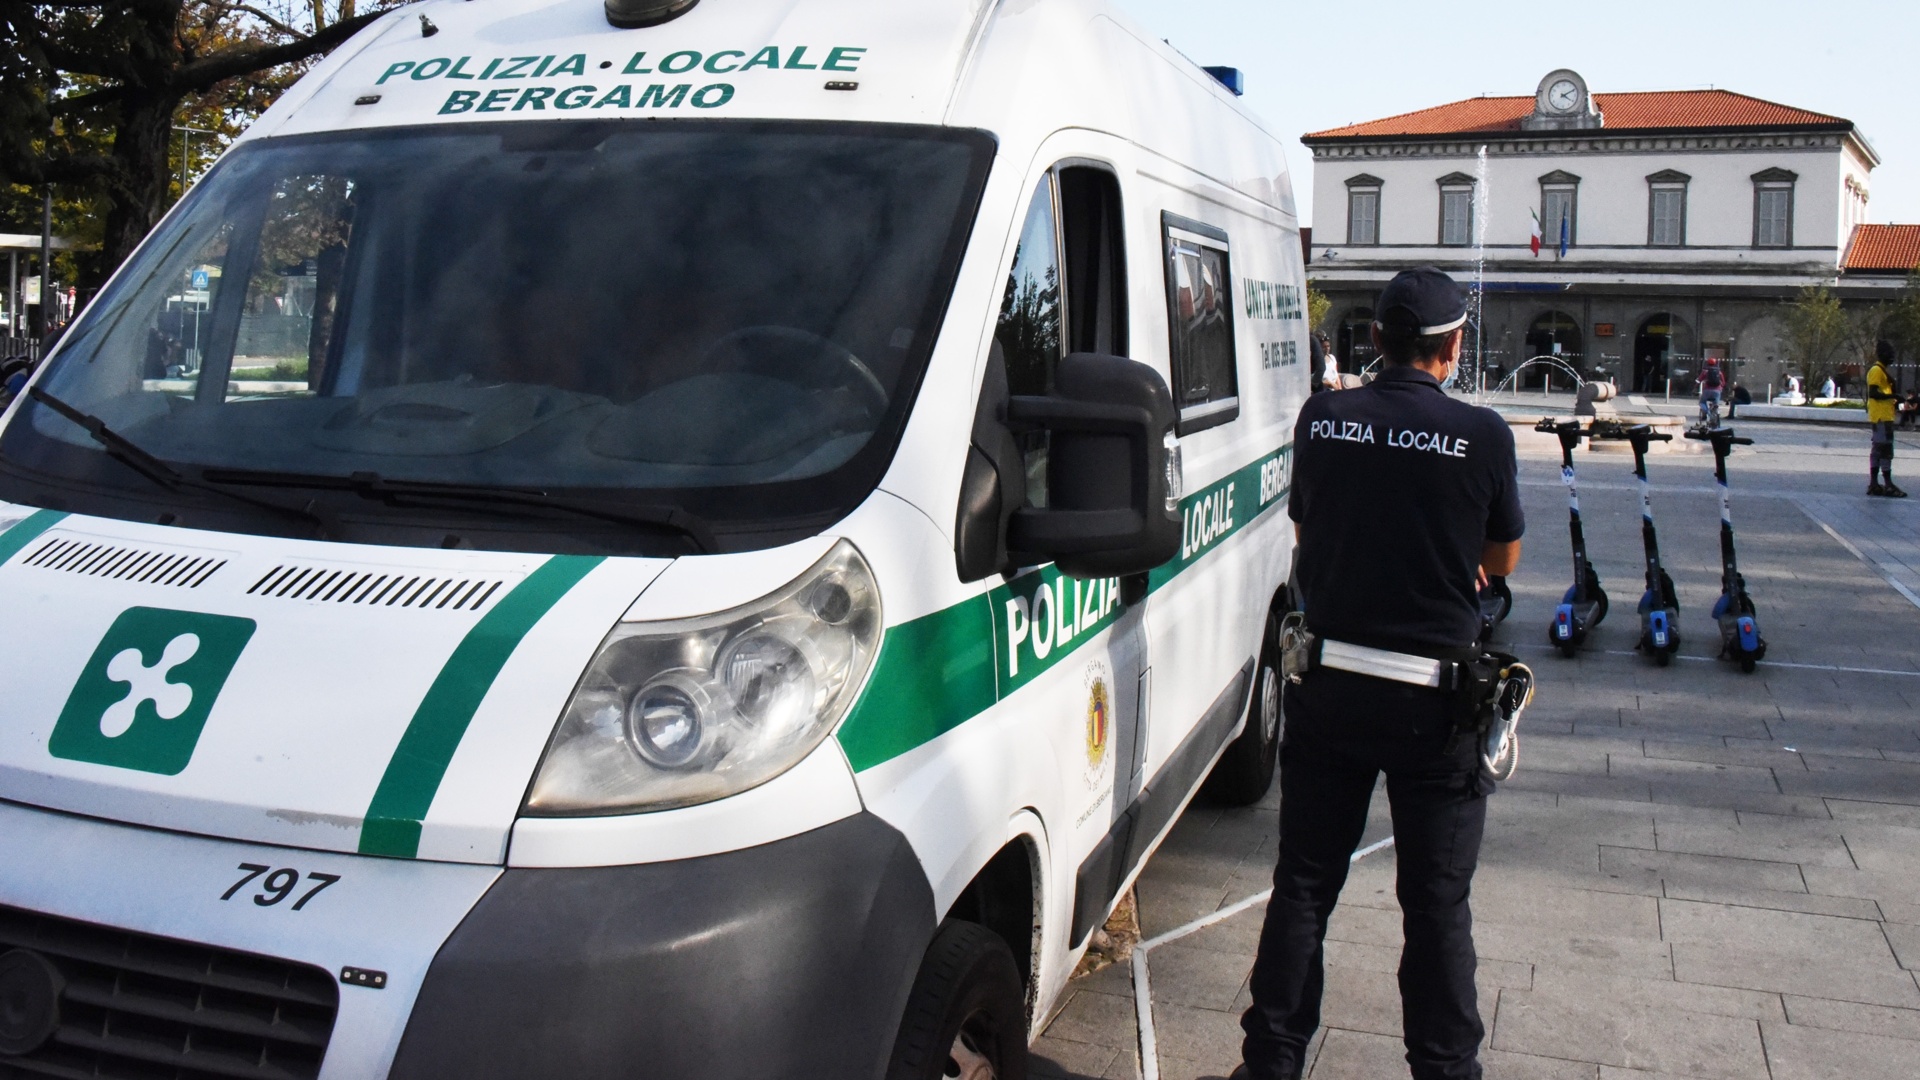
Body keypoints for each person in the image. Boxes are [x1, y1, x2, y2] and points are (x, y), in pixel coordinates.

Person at [1235, 267, 1523, 1080]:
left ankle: (1272, 1062)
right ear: (1452, 348)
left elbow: (1306, 523)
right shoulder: (1483, 435)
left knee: (1302, 886)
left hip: (1330, 688)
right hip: (1435, 707)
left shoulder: (1323, 418)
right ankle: (1444, 1069)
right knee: (1435, 909)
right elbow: (1501, 558)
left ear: (1377, 340)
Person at [1866, 340, 1905, 497]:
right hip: (1882, 417)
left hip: (1882, 416)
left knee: (1877, 450)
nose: (1892, 357)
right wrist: (1893, 396)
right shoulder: (1877, 371)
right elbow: (1873, 393)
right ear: (1882, 355)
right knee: (1885, 450)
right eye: (1890, 354)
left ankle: (1874, 483)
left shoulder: (1881, 371)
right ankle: (1887, 484)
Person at [1696, 357, 1725, 427]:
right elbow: (1723, 382)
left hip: (1707, 390)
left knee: (1702, 402)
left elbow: (1698, 380)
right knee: (1716, 404)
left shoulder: (1705, 371)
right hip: (1717, 391)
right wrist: (1721, 388)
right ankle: (1715, 413)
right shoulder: (1719, 372)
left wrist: (1695, 387)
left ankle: (1706, 412)